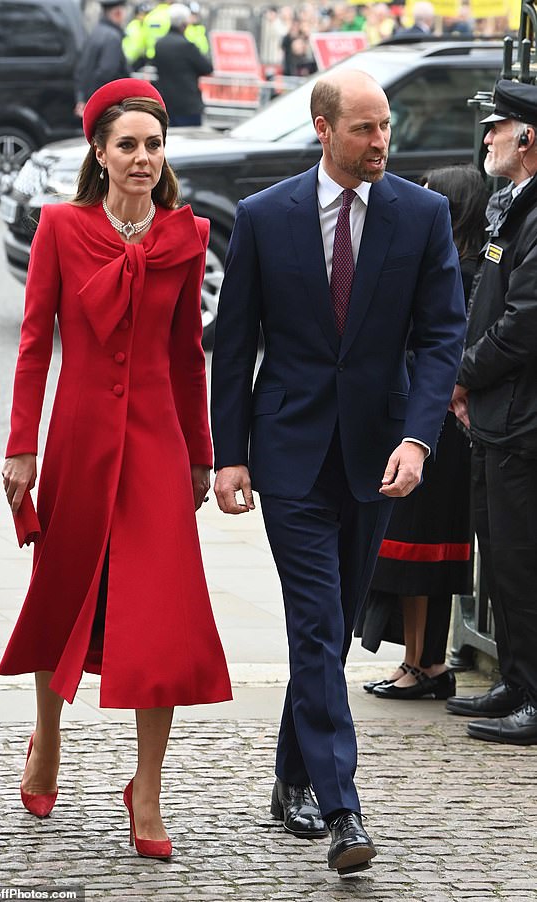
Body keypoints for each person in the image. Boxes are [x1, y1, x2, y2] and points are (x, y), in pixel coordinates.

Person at [211, 69, 465, 877]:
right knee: (319, 624)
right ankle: (341, 807)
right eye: (364, 128)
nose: (380, 141)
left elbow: (442, 336)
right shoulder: (264, 216)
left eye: (385, 125)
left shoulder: (420, 215)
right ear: (323, 130)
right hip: (289, 455)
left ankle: (291, 774)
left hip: (379, 457)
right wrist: (228, 452)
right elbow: (234, 344)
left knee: (331, 629)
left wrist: (419, 439)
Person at [0, 78, 232, 855]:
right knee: (61, 595)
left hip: (158, 447)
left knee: (161, 618)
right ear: (98, 152)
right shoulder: (60, 228)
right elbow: (34, 344)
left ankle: (148, 789)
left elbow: (187, 356)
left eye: (153, 145)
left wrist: (202, 453)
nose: (142, 157)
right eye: (127, 144)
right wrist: (21, 448)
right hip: (78, 442)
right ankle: (48, 738)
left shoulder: (187, 237)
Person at [359, 164, 489, 700]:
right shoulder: (448, 260)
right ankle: (417, 660)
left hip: (438, 423)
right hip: (423, 415)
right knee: (409, 550)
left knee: (423, 550)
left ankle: (426, 664)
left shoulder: (466, 269)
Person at [447, 80, 537, 746]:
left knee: (521, 560)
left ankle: (533, 693)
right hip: (499, 415)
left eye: (497, 127)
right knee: (501, 559)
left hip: (521, 419)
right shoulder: (516, 206)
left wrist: (463, 373)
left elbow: (523, 324)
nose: (487, 138)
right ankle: (516, 677)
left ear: (528, 136)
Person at [154, 4, 212, 127]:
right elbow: (207, 68)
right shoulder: (187, 46)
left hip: (166, 103)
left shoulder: (159, 44)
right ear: (184, 24)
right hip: (188, 105)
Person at [74, 0, 131, 118]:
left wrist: (82, 98)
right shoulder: (112, 37)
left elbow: (82, 69)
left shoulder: (95, 32)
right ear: (118, 13)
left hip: (92, 98)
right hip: (106, 103)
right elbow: (107, 71)